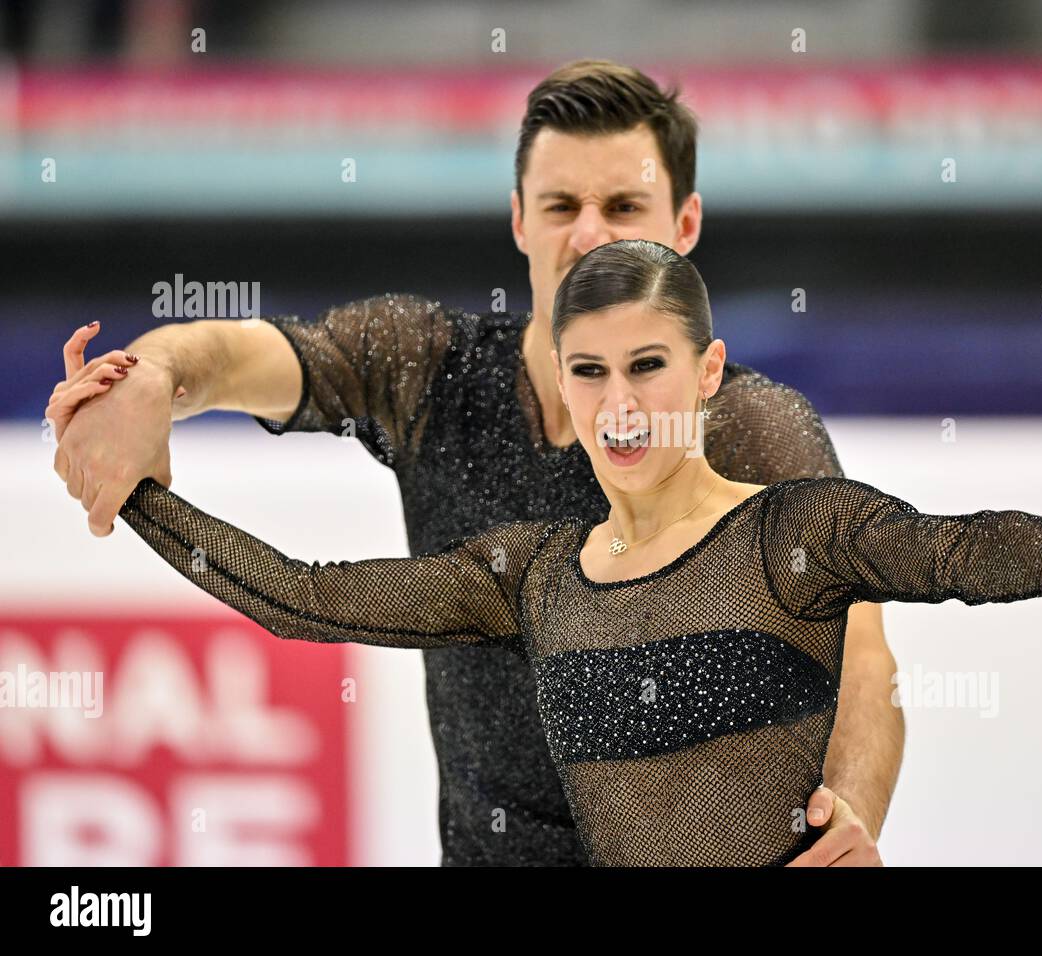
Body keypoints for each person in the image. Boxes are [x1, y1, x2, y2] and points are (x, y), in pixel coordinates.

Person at [56, 239, 1042, 867]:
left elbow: (954, 549)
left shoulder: (793, 532)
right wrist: (142, 494)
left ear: (704, 372)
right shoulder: (531, 574)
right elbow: (306, 602)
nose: (619, 402)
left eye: (648, 365)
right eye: (589, 372)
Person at [47, 61, 899, 866]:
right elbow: (240, 359)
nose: (589, 236)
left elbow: (861, 659)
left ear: (684, 226)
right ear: (520, 219)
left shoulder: (748, 428)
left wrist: (850, 809)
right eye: (562, 205)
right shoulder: (431, 369)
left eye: (625, 207)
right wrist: (152, 377)